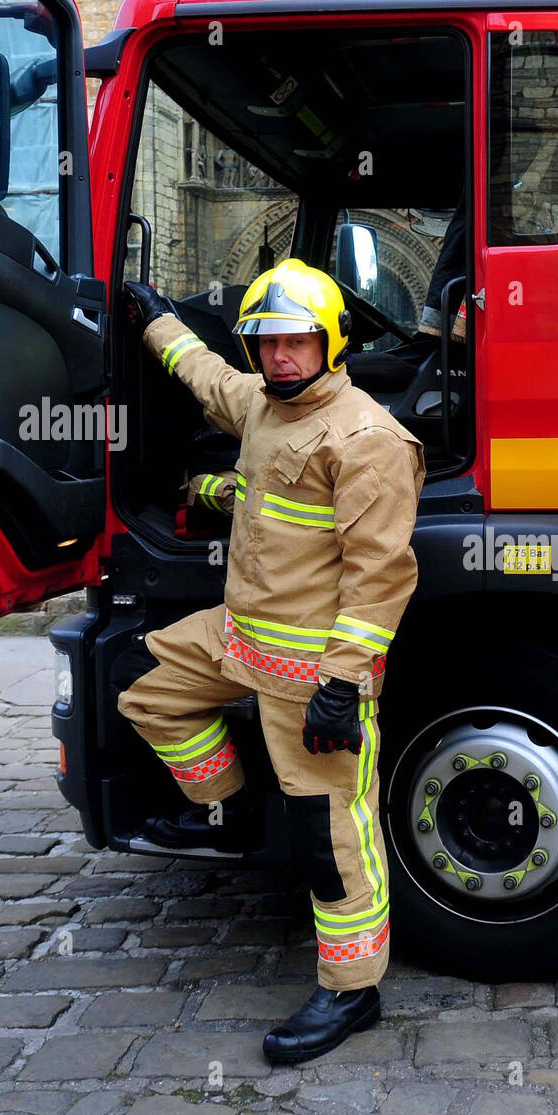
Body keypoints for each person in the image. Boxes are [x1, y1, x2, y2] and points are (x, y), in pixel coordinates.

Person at [118, 260, 425, 1064]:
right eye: (266, 341)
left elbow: (380, 574)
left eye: (296, 341)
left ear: (331, 343)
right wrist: (155, 320)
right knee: (148, 697)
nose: (279, 356)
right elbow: (206, 376)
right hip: (238, 635)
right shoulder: (259, 399)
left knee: (332, 832)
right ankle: (225, 807)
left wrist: (342, 684)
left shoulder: (368, 439)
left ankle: (351, 991)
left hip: (314, 671)